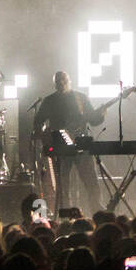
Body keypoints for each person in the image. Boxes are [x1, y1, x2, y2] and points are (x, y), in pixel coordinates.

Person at [32, 71, 109, 213]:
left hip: (81, 145)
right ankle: (64, 213)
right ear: (54, 84)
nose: (61, 84)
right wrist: (46, 135)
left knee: (91, 180)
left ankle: (97, 209)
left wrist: (102, 115)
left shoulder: (81, 98)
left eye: (64, 81)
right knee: (62, 184)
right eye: (58, 82)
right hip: (60, 147)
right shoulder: (49, 101)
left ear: (69, 81)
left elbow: (93, 120)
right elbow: (38, 121)